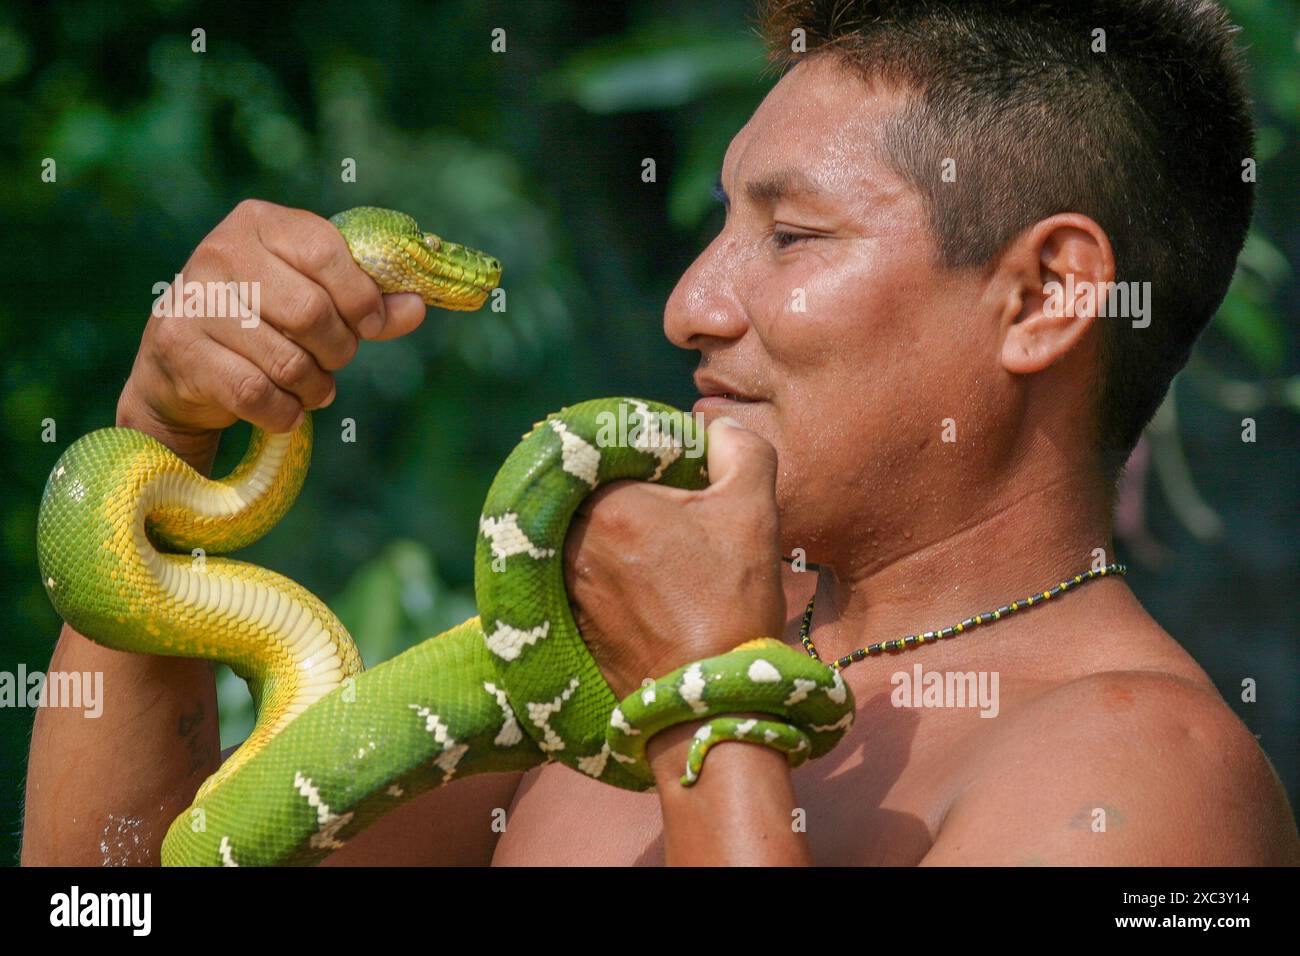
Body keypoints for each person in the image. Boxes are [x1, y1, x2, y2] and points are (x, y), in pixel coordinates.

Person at [22, 0, 1298, 866]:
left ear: (1044, 295)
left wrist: (703, 711)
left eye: (791, 237)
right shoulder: (614, 637)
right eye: (717, 228)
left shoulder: (1151, 771)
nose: (692, 306)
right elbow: (115, 889)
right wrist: (161, 453)